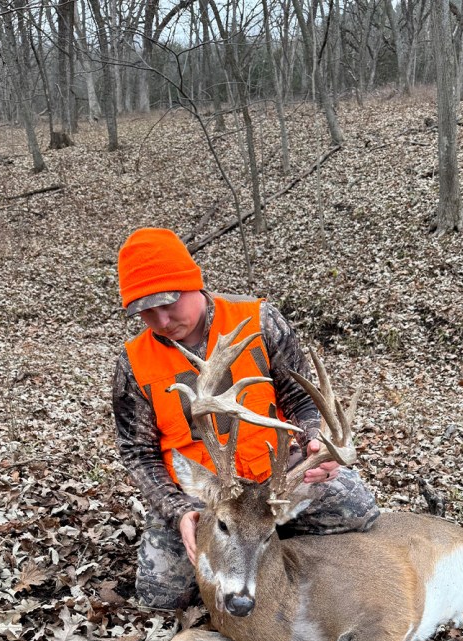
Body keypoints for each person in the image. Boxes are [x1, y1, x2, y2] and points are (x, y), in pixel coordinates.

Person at [111, 227, 380, 610]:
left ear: (194, 283)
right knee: (162, 598)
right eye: (145, 311)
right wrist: (178, 513)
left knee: (359, 513)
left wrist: (314, 439)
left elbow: (301, 398)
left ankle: (260, 542)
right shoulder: (134, 362)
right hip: (202, 489)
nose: (162, 319)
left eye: (169, 302)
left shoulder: (259, 320)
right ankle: (248, 542)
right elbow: (137, 452)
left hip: (274, 475)